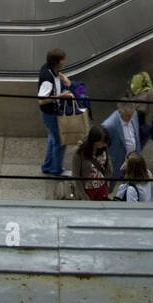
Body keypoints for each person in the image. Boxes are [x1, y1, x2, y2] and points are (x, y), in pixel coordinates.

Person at [38, 47, 75, 179]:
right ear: (57, 62)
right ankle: (56, 170)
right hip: (50, 114)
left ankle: (48, 166)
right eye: (63, 60)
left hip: (52, 113)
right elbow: (41, 101)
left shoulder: (49, 68)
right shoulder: (47, 79)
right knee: (60, 141)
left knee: (52, 139)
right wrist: (61, 96)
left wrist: (62, 77)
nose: (65, 62)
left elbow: (56, 74)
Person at [102, 103, 143, 181]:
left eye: (131, 115)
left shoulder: (133, 114)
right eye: (128, 116)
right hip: (120, 162)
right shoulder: (109, 125)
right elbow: (105, 146)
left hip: (133, 160)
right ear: (120, 112)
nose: (130, 118)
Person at [72, 125, 113, 201]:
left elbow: (108, 165)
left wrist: (107, 184)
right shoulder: (79, 153)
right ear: (94, 141)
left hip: (102, 188)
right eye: (103, 142)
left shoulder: (103, 148)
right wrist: (83, 196)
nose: (105, 144)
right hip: (87, 190)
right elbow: (76, 175)